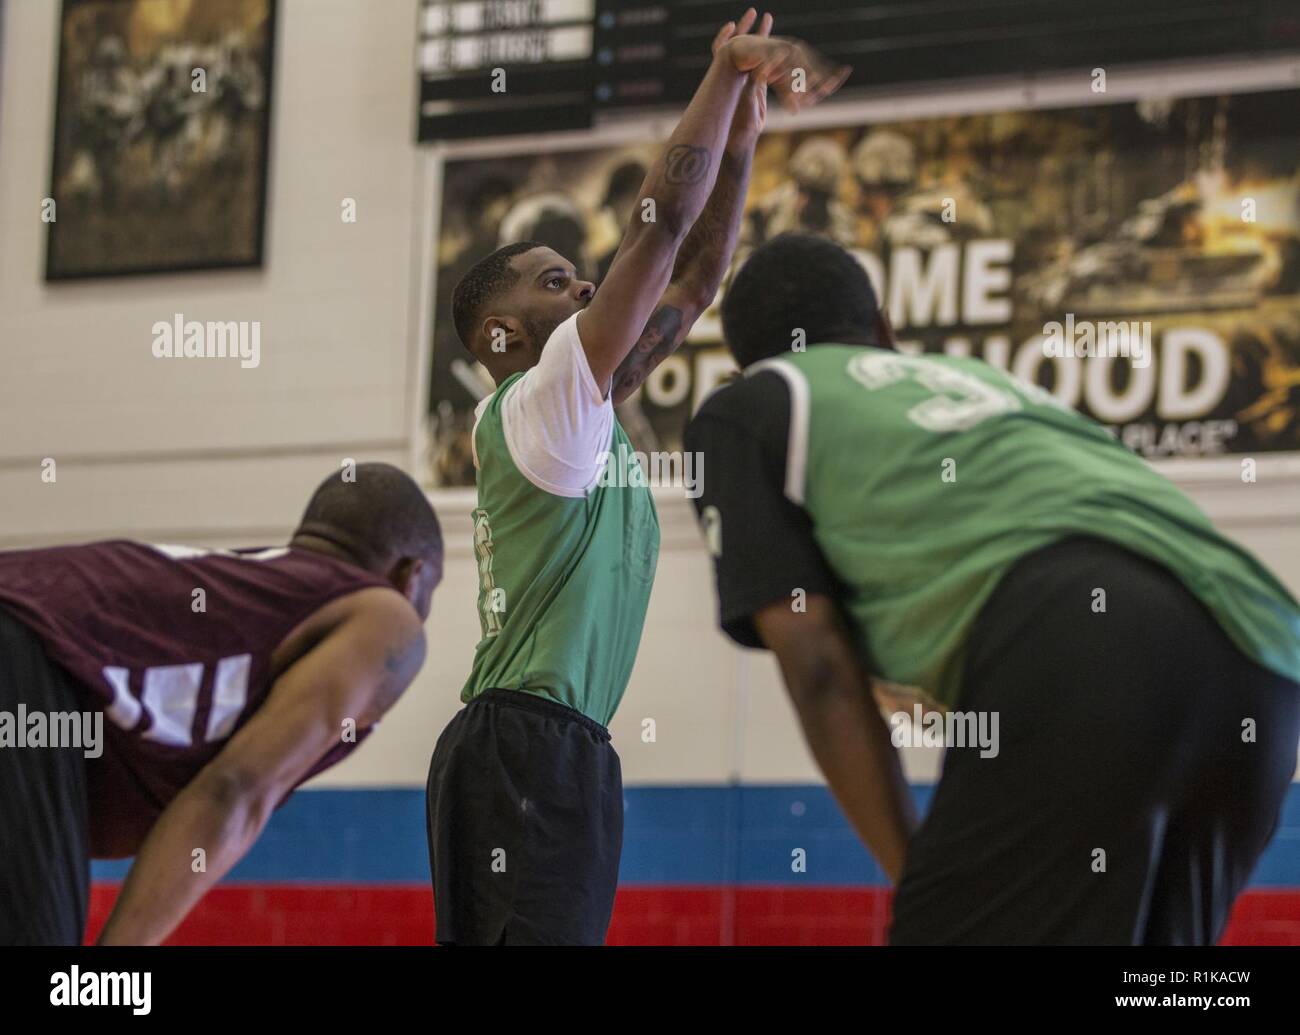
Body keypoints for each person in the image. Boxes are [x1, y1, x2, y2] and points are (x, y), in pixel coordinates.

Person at [684, 232, 1300, 945]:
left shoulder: (749, 407)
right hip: (1264, 656)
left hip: (1080, 636)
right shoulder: (984, 383)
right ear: (884, 329)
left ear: (743, 361)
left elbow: (817, 664)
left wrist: (925, 888)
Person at [428, 10, 850, 945]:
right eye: (551, 282)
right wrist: (723, 71)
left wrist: (743, 122)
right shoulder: (539, 401)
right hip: (521, 743)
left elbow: (694, 278)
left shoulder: (589, 408)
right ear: (499, 336)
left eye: (577, 275)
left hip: (559, 746)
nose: (580, 287)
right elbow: (656, 232)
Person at [0, 463, 442, 945]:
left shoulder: (241, 592)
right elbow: (235, 790)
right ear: (411, 576)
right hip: (20, 656)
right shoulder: (386, 616)